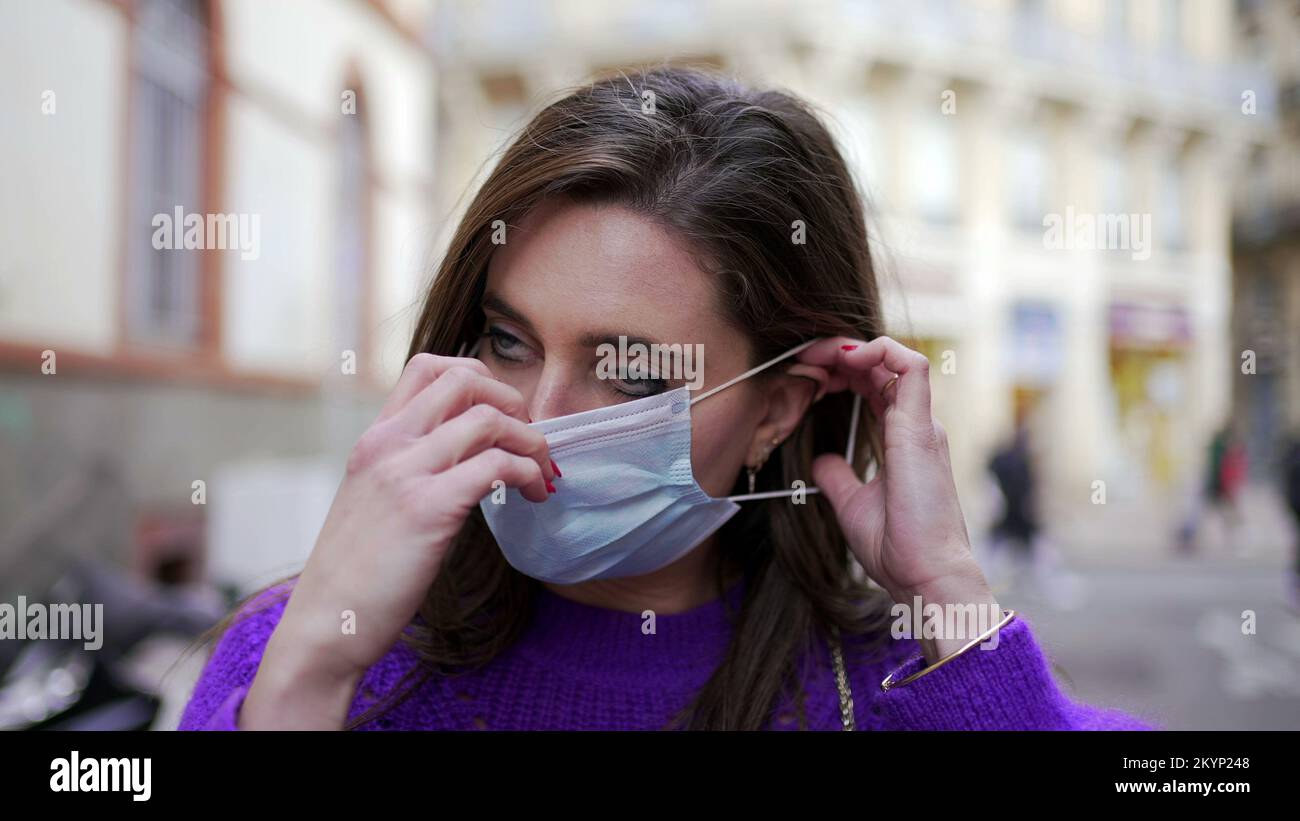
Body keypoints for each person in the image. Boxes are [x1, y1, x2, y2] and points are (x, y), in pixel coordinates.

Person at [178, 66, 1155, 731]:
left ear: (780, 406)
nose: (537, 414)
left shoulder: (905, 684)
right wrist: (310, 670)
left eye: (631, 371)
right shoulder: (300, 651)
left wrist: (948, 598)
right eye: (507, 339)